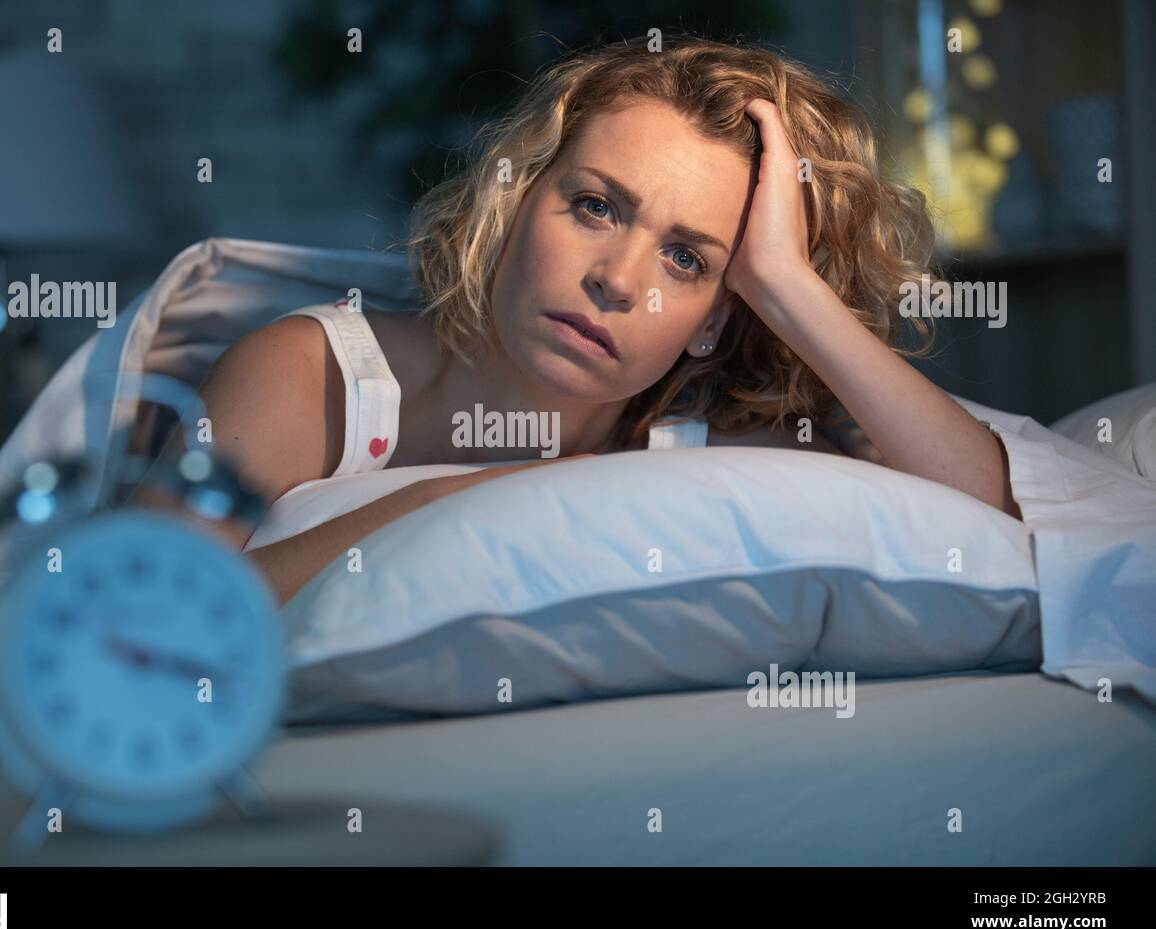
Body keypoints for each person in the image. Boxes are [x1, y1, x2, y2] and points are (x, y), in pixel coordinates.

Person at [137, 36, 1020, 606]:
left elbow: (980, 507)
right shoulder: (310, 375)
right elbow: (128, 614)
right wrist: (454, 503)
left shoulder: (696, 451)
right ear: (514, 200)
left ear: (719, 316)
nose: (618, 281)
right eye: (596, 206)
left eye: (688, 260)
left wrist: (786, 282)